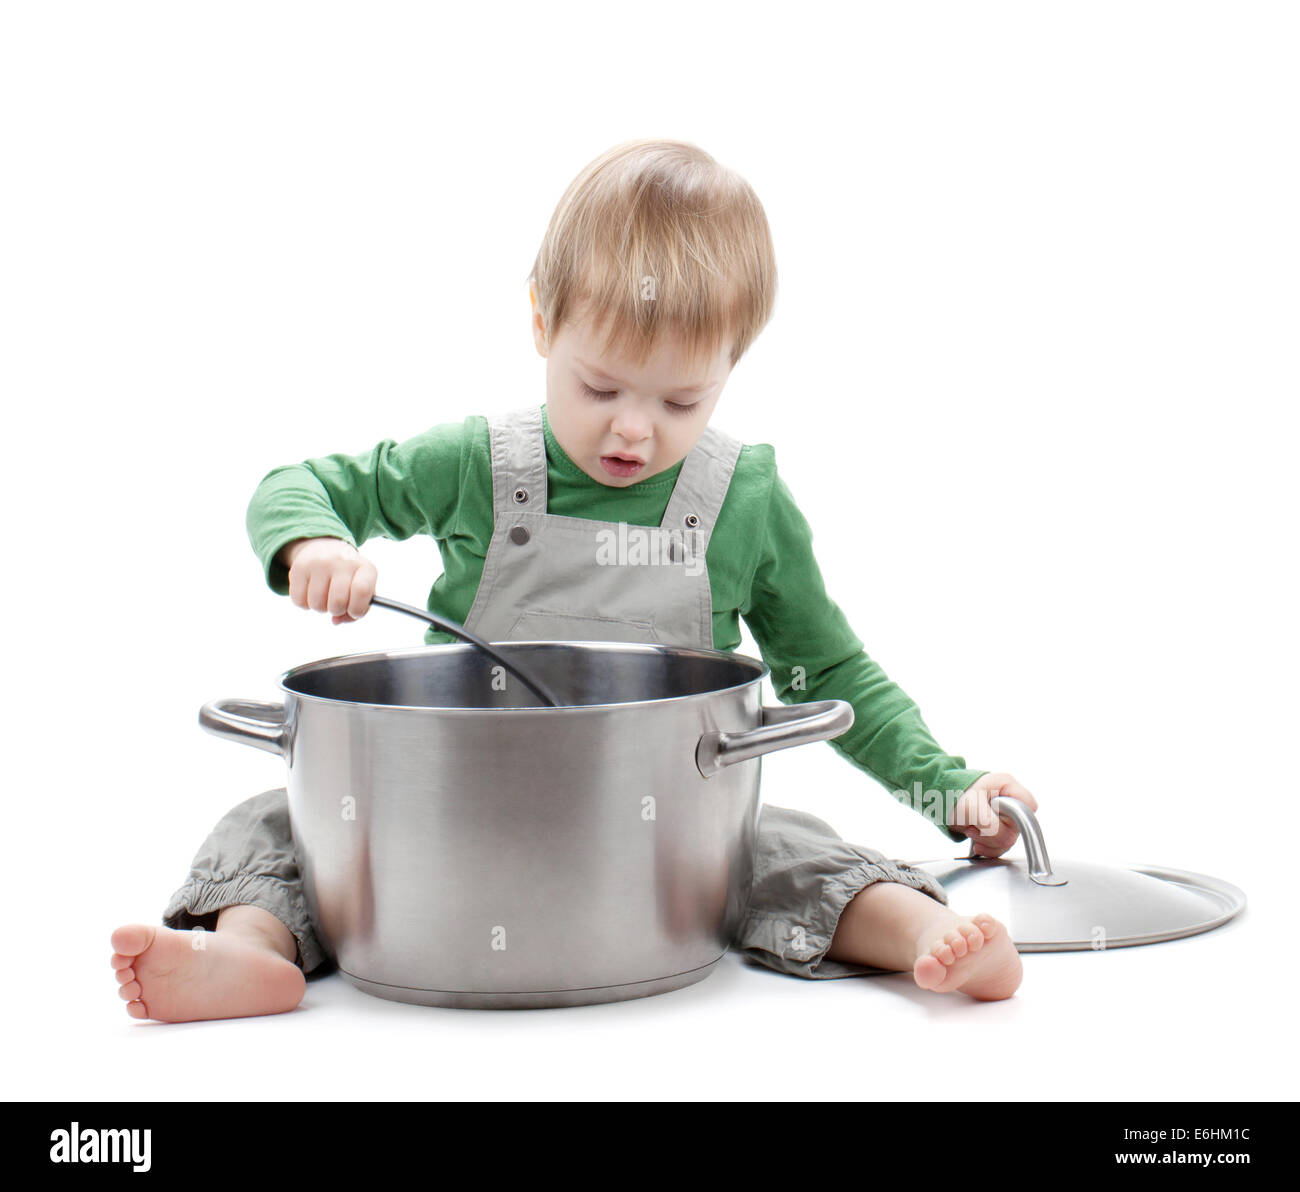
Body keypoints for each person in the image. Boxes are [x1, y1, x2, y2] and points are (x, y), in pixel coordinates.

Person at [110, 139, 1033, 1021]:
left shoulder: (741, 498)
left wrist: (945, 786)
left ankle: (939, 938)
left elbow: (828, 676)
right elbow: (294, 487)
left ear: (730, 366)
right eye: (600, 388)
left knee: (792, 848)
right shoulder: (477, 463)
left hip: (671, 843)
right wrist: (311, 545)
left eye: (681, 401)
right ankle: (254, 953)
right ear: (543, 325)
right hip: (446, 827)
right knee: (276, 824)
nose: (634, 431)